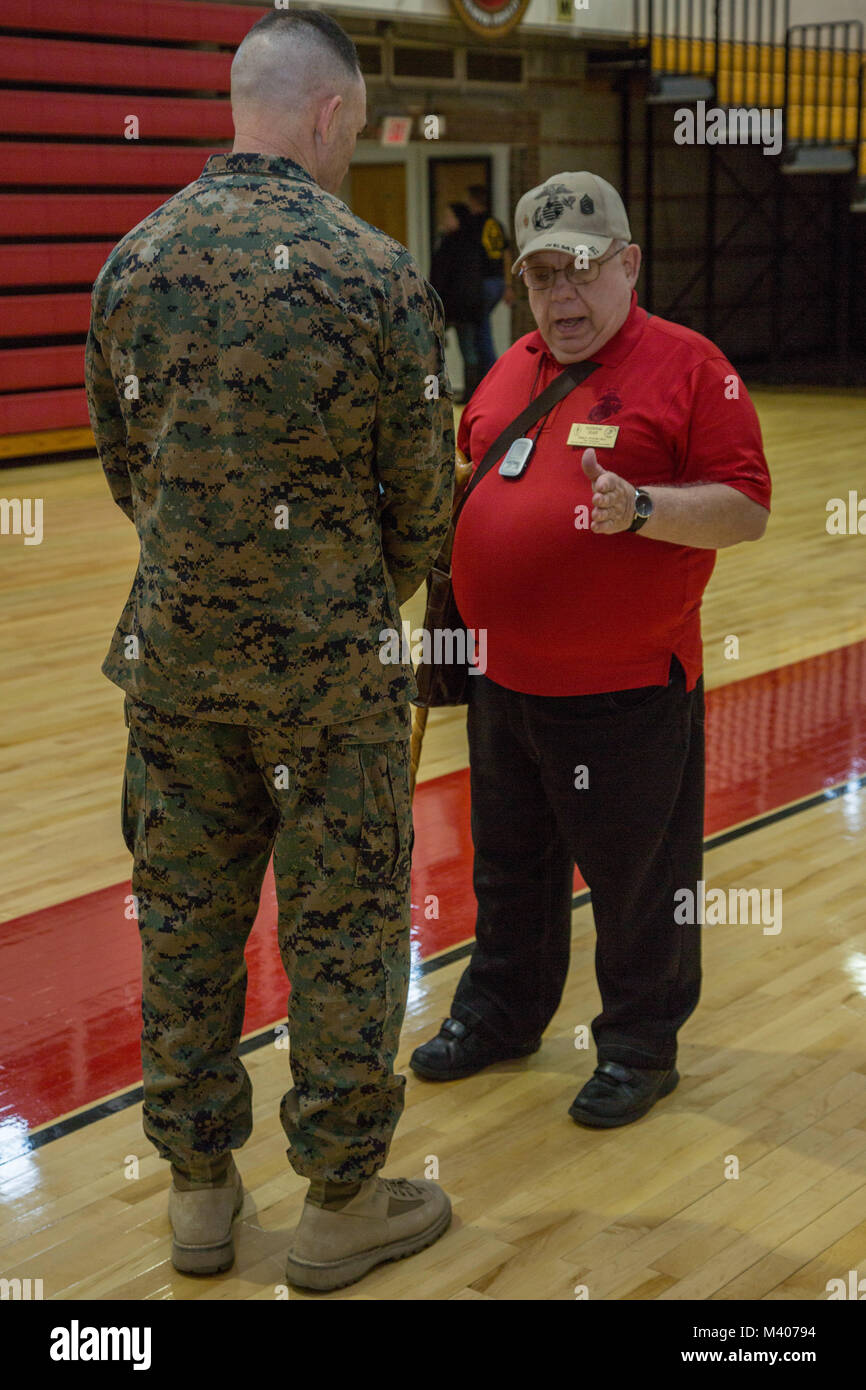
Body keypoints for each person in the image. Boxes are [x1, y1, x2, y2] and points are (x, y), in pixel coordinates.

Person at [85, 8, 455, 1293]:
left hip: (176, 667)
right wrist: (340, 586)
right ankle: (340, 1206)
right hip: (329, 672)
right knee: (343, 931)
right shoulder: (376, 274)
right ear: (332, 113)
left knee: (182, 925)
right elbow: (423, 501)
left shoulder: (130, 264)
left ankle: (199, 1198)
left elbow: (124, 466)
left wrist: (205, 570)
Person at [410, 172, 771, 1131]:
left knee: (639, 880)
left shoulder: (693, 367)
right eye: (540, 278)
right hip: (502, 679)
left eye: (579, 271)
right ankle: (502, 1013)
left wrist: (646, 508)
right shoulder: (509, 365)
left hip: (624, 690)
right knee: (509, 864)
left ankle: (641, 1046)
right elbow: (475, 467)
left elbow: (747, 506)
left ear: (628, 265)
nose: (561, 298)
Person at [429, 202, 487, 403]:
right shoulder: (471, 242)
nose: (444, 220)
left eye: (448, 216)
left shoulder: (451, 243)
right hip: (467, 306)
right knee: (468, 350)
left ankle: (439, 392)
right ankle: (471, 393)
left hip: (454, 305)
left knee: (443, 349)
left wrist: (436, 300)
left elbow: (441, 275)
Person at [465, 184, 514, 375]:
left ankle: (493, 373)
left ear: (472, 200)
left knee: (481, 331)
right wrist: (508, 284)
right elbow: (507, 253)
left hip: (482, 282)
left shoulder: (472, 224)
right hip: (498, 281)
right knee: (481, 328)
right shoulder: (495, 224)